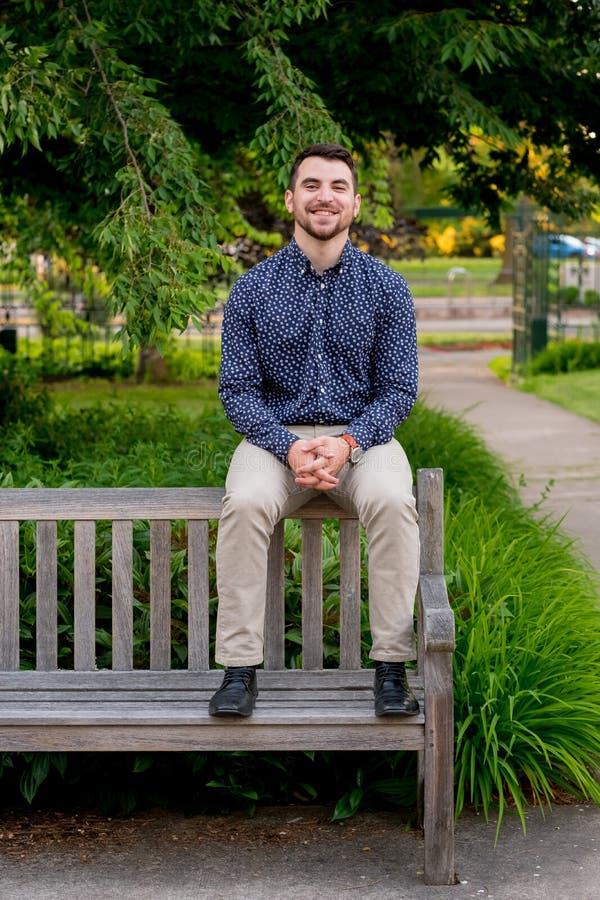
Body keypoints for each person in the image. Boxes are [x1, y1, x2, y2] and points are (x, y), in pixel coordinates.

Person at [209, 142, 420, 718]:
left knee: (393, 499)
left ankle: (392, 669)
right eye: (311, 185)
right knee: (247, 501)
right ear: (291, 198)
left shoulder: (387, 288)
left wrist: (349, 442)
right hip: (275, 437)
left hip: (363, 436)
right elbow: (237, 390)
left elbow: (398, 390)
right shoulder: (254, 288)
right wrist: (290, 444)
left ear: (354, 204)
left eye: (336, 187)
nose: (323, 196)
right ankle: (238, 670)